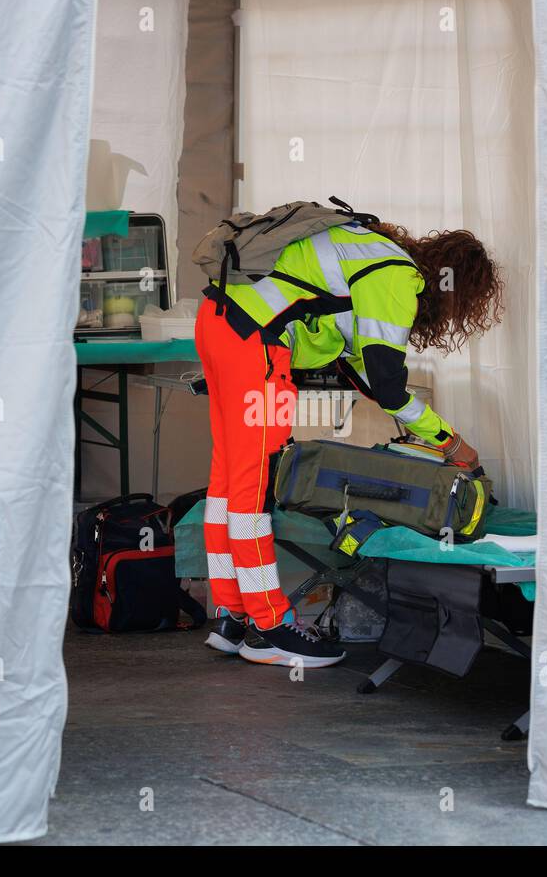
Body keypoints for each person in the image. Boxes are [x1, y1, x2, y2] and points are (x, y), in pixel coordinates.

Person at [195, 208, 503, 668]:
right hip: (258, 348)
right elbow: (388, 384)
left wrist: (426, 428)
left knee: (226, 484)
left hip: (218, 325)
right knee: (252, 490)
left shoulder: (369, 253)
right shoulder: (399, 278)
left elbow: (361, 369)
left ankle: (231, 615)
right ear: (453, 287)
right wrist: (452, 444)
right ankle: (270, 627)